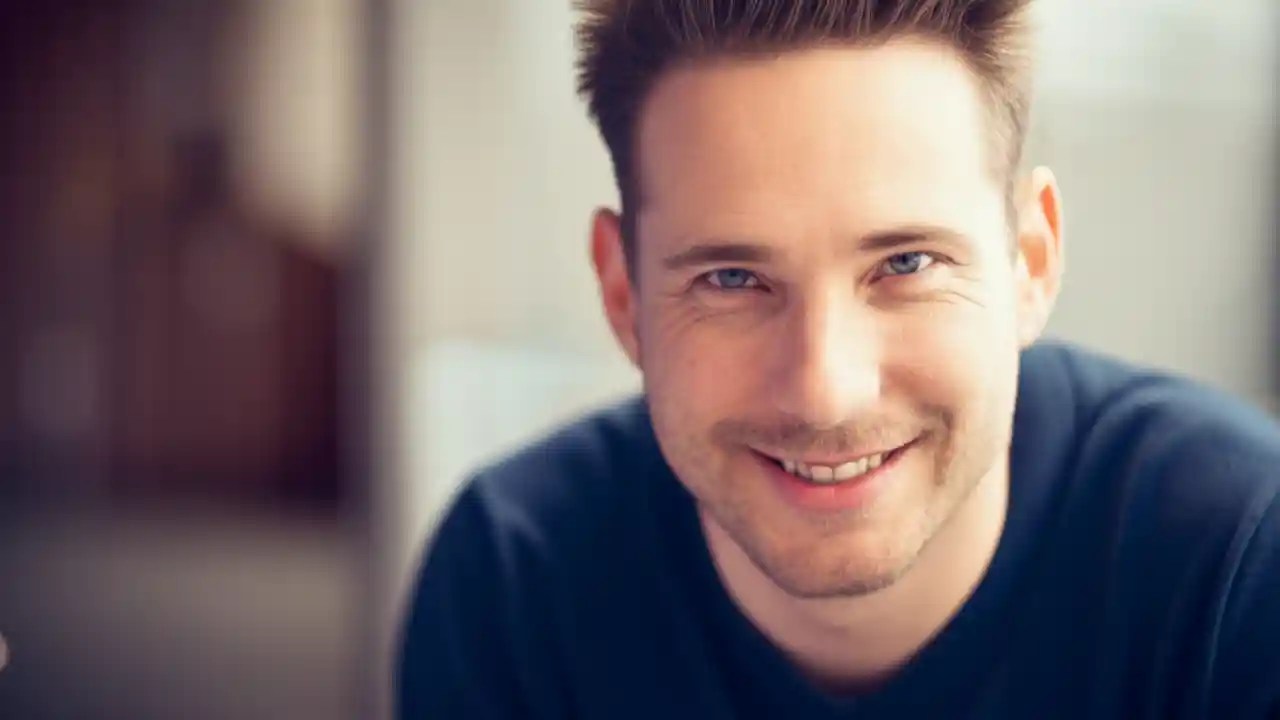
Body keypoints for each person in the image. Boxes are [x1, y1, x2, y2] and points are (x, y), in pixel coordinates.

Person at [397, 1, 1280, 717]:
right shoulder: (514, 588)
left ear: (1031, 261)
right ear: (622, 293)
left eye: (906, 264)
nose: (824, 390)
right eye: (733, 278)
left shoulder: (1238, 568)